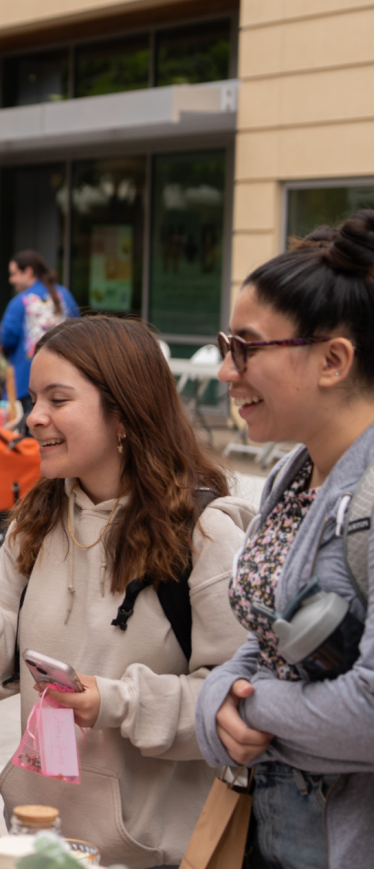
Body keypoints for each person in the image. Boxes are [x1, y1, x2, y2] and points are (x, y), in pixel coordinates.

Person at [0, 316, 253, 868]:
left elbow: (235, 702)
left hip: (150, 856)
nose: (34, 417)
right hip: (37, 847)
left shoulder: (206, 534)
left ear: (122, 413)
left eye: (58, 398)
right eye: (33, 397)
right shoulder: (37, 520)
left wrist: (114, 702)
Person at [194, 211, 374, 869]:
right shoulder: (291, 473)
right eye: (224, 343)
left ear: (333, 360)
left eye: (245, 347)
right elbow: (269, 635)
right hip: (274, 828)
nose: (224, 370)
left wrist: (253, 708)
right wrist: (217, 702)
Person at [0, 249, 78, 416]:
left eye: (13, 274)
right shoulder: (66, 295)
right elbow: (79, 332)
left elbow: (6, 340)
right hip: (63, 380)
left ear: (28, 272)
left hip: (26, 385)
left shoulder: (20, 301)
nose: (11, 280)